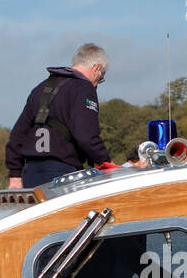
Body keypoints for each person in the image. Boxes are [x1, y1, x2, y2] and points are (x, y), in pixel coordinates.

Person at [6, 43, 114, 189]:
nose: (96, 85)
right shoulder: (83, 88)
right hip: (63, 173)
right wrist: (105, 162)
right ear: (97, 68)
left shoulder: (41, 88)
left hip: (30, 172)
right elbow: (86, 136)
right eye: (100, 79)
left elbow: (18, 135)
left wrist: (15, 175)